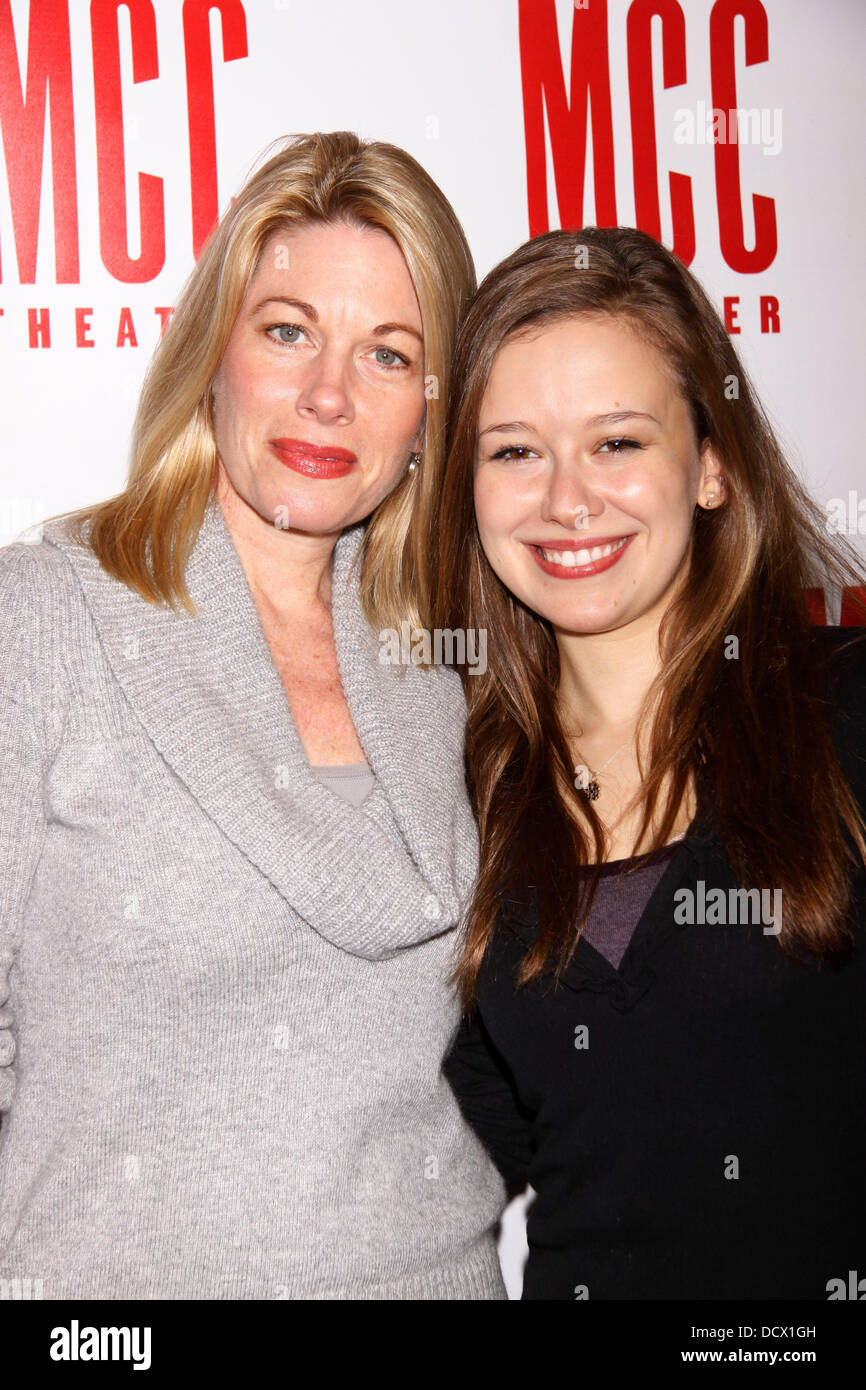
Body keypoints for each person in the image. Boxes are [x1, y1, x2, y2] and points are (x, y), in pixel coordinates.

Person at [0, 131, 507, 1300]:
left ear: (434, 410)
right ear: (213, 349)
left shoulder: (460, 667)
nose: (328, 393)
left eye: (389, 354)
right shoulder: (45, 619)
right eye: (287, 331)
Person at [438, 226, 866, 1300]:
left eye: (617, 442)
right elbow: (444, 1148)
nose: (566, 499)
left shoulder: (846, 711)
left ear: (711, 464)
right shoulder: (459, 782)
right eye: (514, 450)